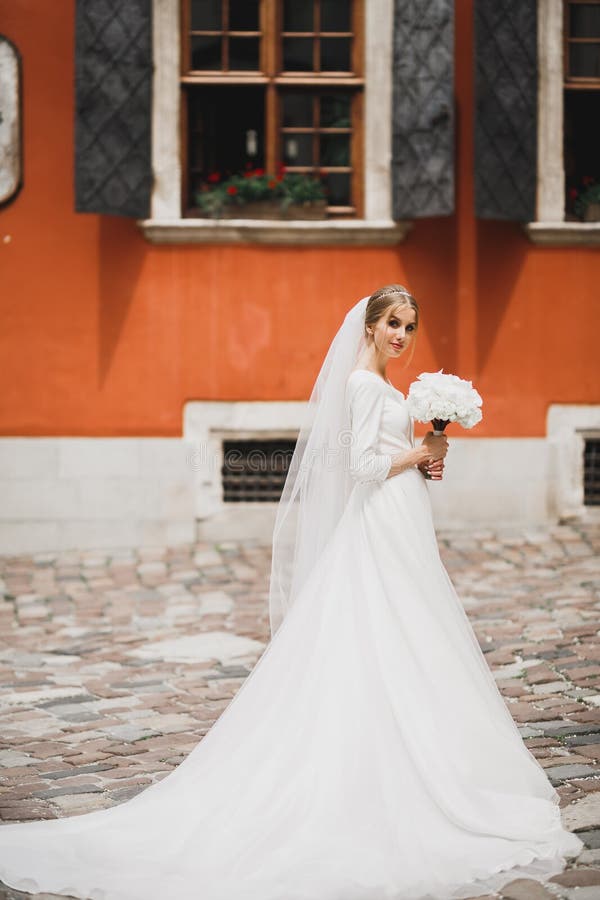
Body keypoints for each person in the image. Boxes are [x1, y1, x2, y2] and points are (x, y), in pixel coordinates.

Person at [0, 285, 584, 900]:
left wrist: (425, 457)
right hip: (380, 524)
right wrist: (419, 452)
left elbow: (388, 457)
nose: (401, 336)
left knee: (408, 633)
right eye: (392, 323)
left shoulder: (385, 387)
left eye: (410, 327)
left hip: (401, 519)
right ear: (369, 326)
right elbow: (362, 467)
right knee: (389, 632)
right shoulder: (363, 385)